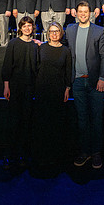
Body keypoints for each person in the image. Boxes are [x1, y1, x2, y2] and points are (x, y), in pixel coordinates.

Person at [67, 1, 104, 169]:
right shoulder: (70, 30)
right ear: (76, 13)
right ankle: (85, 152)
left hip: (95, 83)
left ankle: (96, 153)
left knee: (96, 119)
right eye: (80, 11)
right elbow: (61, 48)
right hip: (77, 82)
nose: (83, 14)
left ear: (90, 13)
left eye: (86, 12)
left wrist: (102, 78)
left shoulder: (99, 31)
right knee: (82, 119)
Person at [32, 21, 73, 169]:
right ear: (48, 34)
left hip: (58, 89)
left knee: (56, 124)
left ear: (61, 33)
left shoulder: (65, 50)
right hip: (42, 88)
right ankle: (41, 156)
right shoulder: (41, 48)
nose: (54, 34)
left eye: (56, 31)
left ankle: (55, 157)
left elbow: (68, 71)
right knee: (42, 123)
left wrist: (67, 88)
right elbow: (35, 67)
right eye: (51, 31)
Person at [1, 16, 40, 169]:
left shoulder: (36, 46)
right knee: (13, 122)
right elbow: (7, 66)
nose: (27, 28)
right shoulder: (13, 44)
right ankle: (9, 155)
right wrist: (6, 86)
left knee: (26, 122)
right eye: (24, 26)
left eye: (29, 25)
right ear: (20, 28)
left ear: (33, 28)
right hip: (15, 87)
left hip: (30, 87)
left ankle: (23, 154)